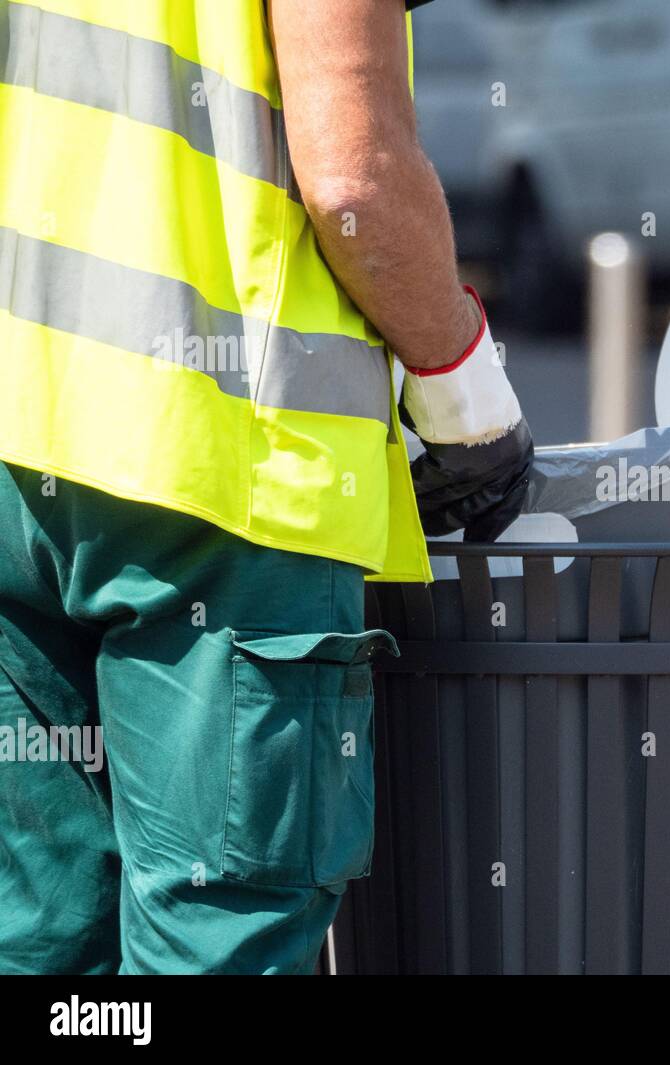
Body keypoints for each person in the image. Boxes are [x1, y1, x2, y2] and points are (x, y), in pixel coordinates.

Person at [0, 0, 530, 973]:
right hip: (218, 468)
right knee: (218, 928)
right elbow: (353, 177)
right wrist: (464, 394)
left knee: (40, 932)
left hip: (18, 444)